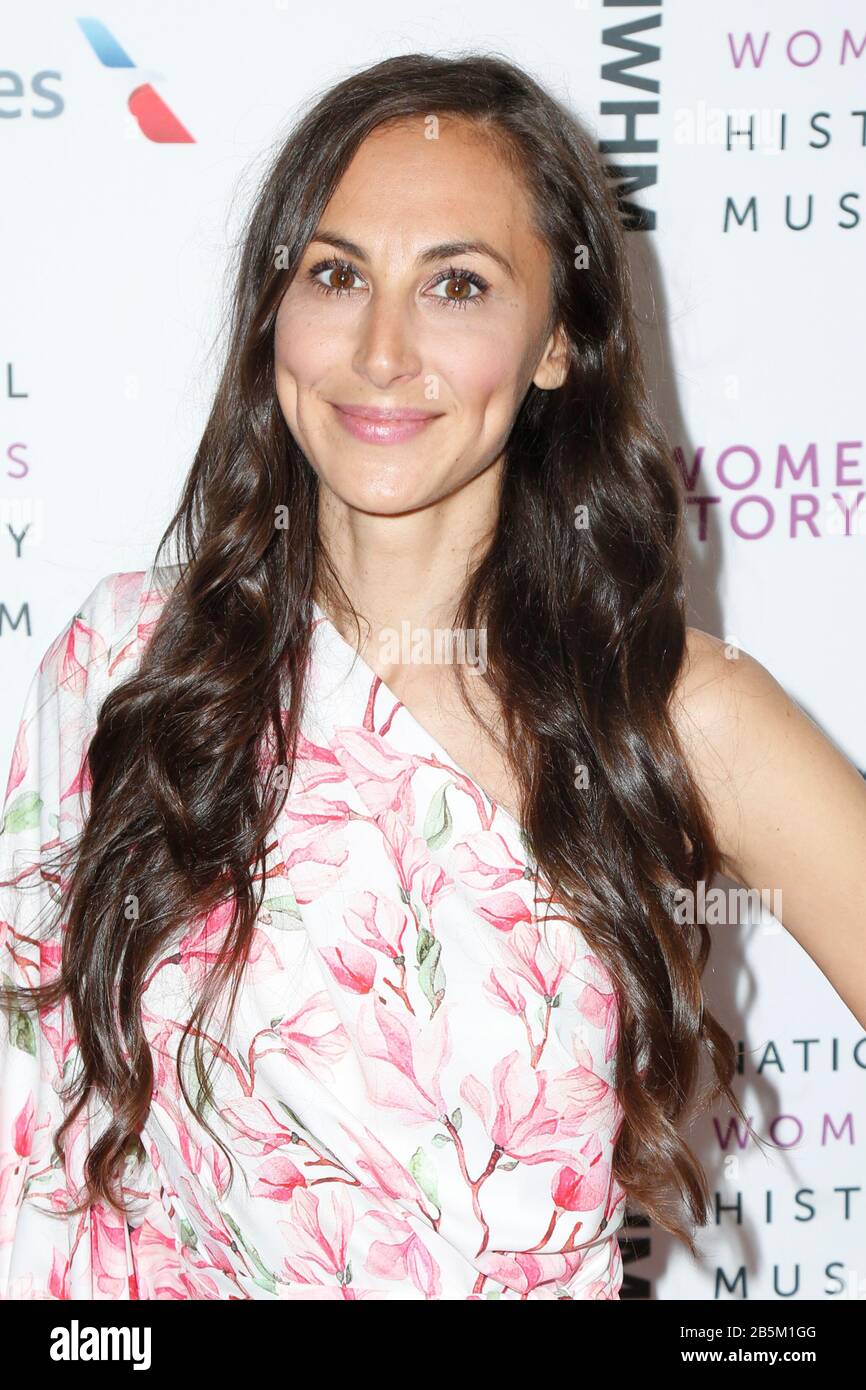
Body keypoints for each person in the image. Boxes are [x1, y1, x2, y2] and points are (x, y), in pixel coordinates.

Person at [1, 52, 864, 1303]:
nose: (380, 349)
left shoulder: (671, 711)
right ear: (275, 311)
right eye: (336, 274)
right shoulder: (127, 665)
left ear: (557, 340)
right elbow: (28, 1131)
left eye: (457, 284)